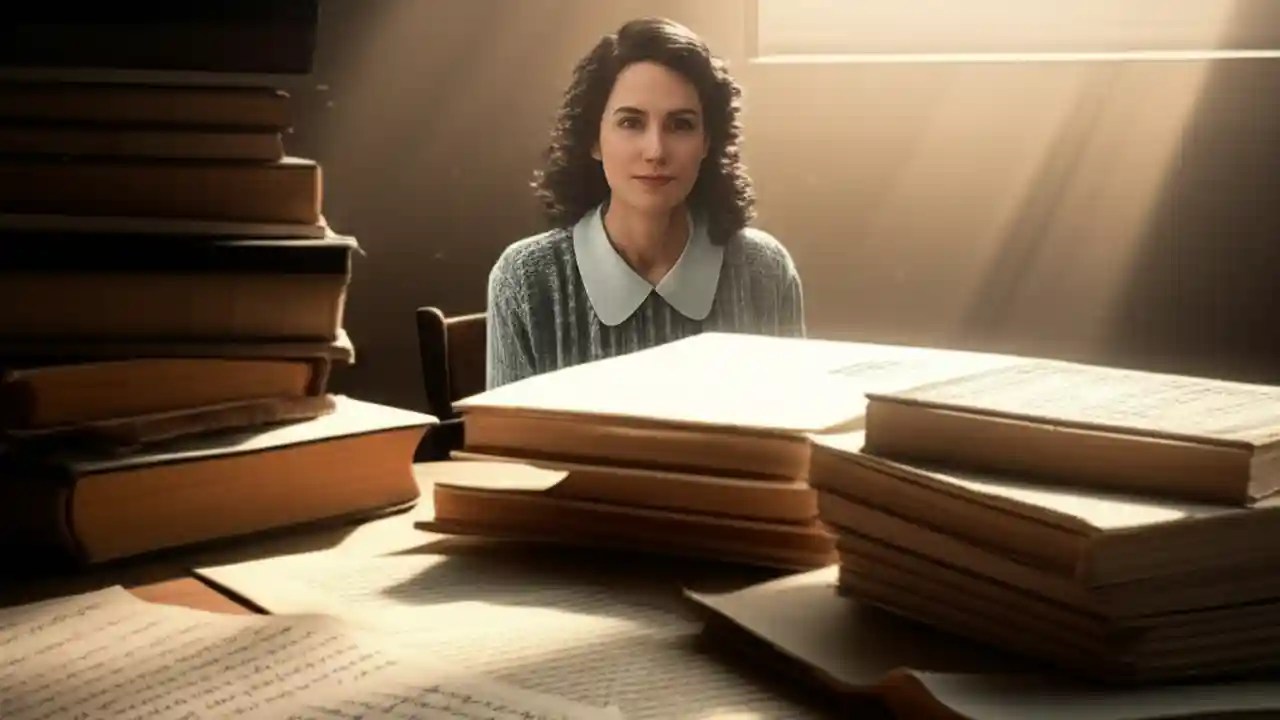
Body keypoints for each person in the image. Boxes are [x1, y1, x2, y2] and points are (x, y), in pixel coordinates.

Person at [485, 16, 805, 389]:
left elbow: (790, 434)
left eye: (680, 125)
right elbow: (505, 446)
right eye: (631, 123)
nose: (655, 151)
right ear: (594, 139)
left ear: (706, 142)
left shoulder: (764, 272)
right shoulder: (524, 280)